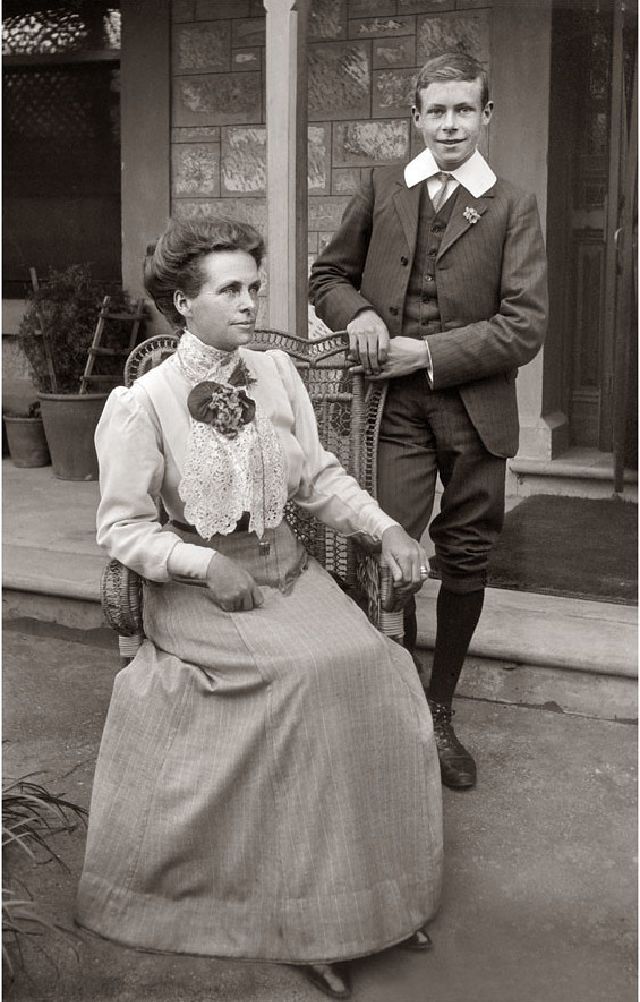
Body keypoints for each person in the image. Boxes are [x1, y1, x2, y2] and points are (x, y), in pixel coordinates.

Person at [75, 216, 444, 1000]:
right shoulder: (146, 403)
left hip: (287, 569)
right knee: (307, 684)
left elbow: (316, 479)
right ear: (184, 303)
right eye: (230, 290)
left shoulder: (276, 375)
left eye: (254, 286)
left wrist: (386, 532)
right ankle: (306, 921)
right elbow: (121, 528)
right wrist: (201, 561)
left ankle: (376, 895)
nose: (250, 304)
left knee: (375, 665)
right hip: (200, 590)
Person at [309, 51, 548, 792]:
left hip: (477, 413)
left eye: (463, 110)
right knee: (389, 552)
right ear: (415, 116)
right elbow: (327, 278)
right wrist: (362, 320)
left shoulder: (513, 206)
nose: (449, 124)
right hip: (394, 410)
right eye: (435, 110)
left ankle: (440, 713)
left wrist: (430, 351)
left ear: (487, 117)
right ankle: (390, 700)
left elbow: (524, 325)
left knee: (466, 561)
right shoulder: (383, 188)